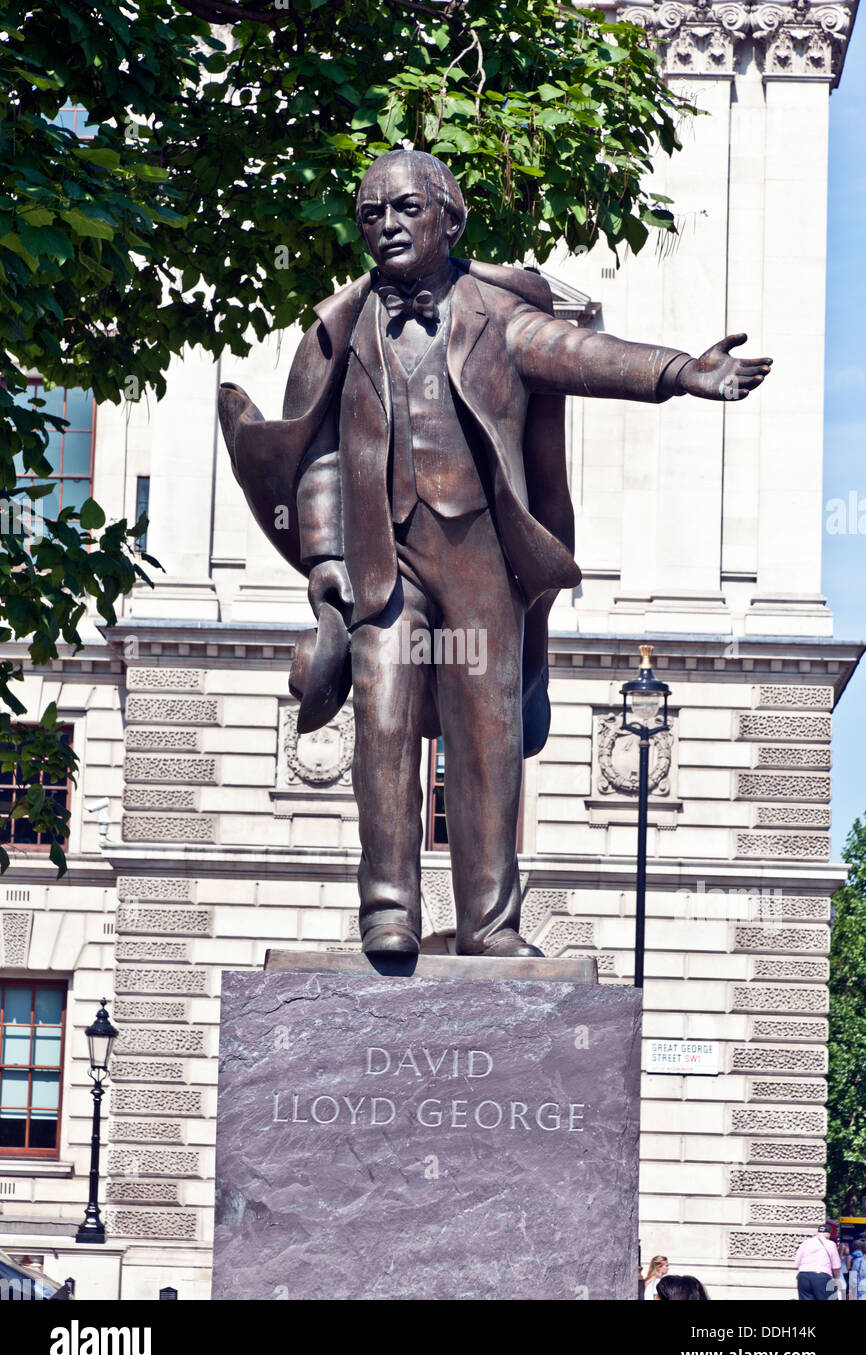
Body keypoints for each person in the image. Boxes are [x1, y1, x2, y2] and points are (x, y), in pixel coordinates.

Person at [219, 150, 772, 959]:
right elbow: (319, 458)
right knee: (382, 713)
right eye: (372, 214)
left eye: (406, 209)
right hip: (383, 557)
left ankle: (488, 924)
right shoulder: (340, 329)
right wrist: (325, 559)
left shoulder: (498, 314)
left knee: (486, 734)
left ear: (451, 218)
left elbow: (585, 356)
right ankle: (388, 911)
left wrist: (680, 371)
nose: (388, 227)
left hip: (478, 552)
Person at [794, 1222, 841, 1299]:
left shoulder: (806, 1242)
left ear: (818, 1232)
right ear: (829, 1234)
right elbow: (836, 1266)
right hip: (821, 1276)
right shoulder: (831, 1244)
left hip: (803, 1276)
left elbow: (797, 1263)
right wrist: (836, 1280)